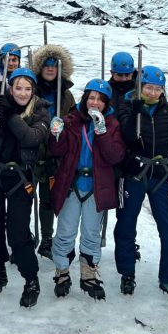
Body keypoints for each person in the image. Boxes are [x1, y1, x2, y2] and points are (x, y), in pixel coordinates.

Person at [0, 68, 49, 307]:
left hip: (22, 179)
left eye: (27, 88)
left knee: (18, 232)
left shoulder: (41, 112)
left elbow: (30, 138)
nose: (22, 93)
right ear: (10, 88)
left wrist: (10, 117)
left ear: (33, 91)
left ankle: (31, 279)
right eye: (18, 88)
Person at [49, 80, 125, 301]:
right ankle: (62, 271)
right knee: (65, 232)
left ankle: (88, 274)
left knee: (92, 234)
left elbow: (115, 156)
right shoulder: (71, 121)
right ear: (84, 99)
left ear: (106, 103)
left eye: (100, 99)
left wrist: (101, 132)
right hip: (72, 185)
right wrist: (56, 133)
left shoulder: (113, 126)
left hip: (96, 188)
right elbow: (57, 151)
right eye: (91, 98)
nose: (95, 102)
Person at [115, 65, 168, 299]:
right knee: (126, 225)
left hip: (162, 176)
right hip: (134, 173)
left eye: (158, 88)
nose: (153, 93)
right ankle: (127, 274)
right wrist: (135, 113)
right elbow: (126, 136)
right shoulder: (127, 106)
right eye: (148, 87)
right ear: (140, 87)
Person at [31, 45, 75, 259]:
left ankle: (47, 238)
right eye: (46, 65)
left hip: (55, 153)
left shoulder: (66, 96)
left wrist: (64, 125)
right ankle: (25, 235)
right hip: (31, 150)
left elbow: (75, 121)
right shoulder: (30, 89)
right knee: (25, 196)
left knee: (47, 199)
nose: (50, 69)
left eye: (54, 65)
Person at [108, 52, 137, 119]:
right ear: (112, 73)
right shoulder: (106, 90)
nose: (123, 79)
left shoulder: (139, 91)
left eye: (127, 75)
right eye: (119, 75)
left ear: (132, 73)